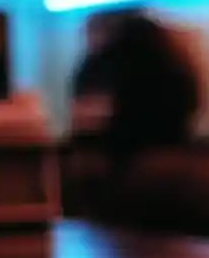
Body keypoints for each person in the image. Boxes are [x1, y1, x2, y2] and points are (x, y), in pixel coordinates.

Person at [71, 10, 201, 188]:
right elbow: (191, 103)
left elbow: (87, 115)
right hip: (169, 150)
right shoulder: (172, 61)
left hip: (121, 155)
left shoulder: (104, 64)